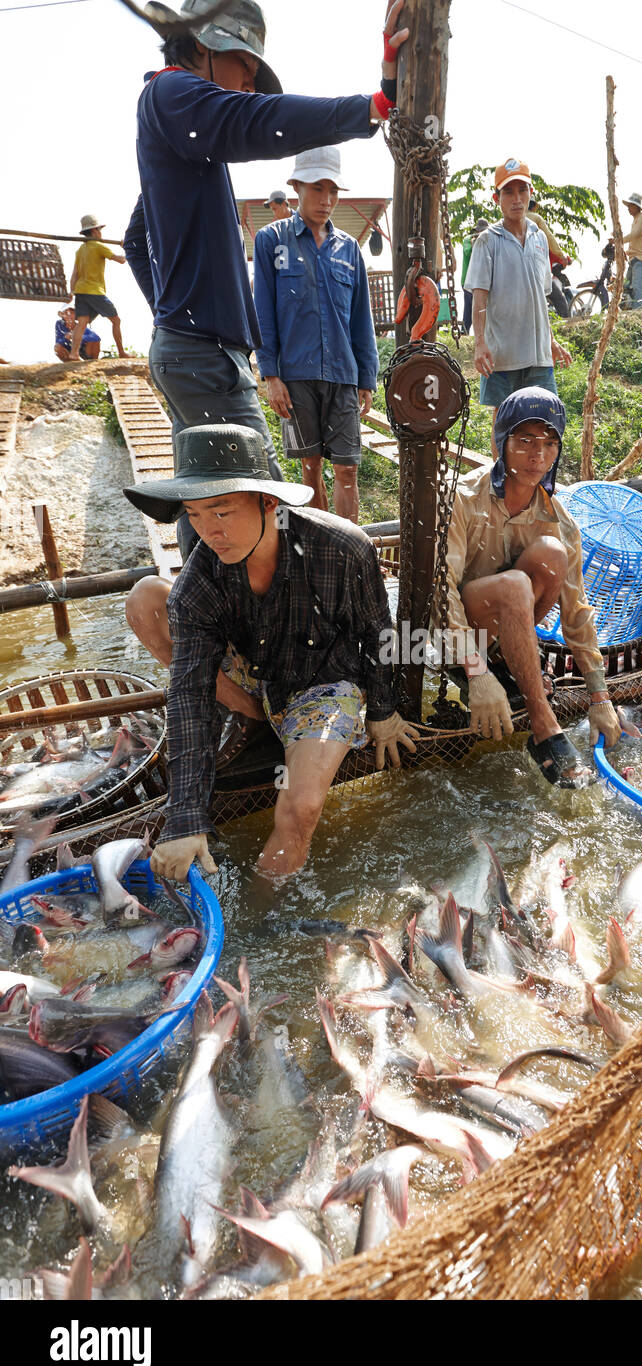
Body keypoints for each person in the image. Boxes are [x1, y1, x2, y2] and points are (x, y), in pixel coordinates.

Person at [133, 0, 409, 559]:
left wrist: (172, 313)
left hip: (194, 350)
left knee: (209, 501)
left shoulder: (183, 144)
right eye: (246, 66)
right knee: (264, 502)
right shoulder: (171, 92)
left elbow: (136, 239)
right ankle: (259, 634)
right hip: (204, 356)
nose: (250, 82)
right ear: (206, 47)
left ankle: (201, 628)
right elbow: (253, 121)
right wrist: (375, 104)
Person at [123, 423, 418, 883]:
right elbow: (189, 693)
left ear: (269, 502)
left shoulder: (342, 548)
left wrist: (383, 711)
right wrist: (185, 817)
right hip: (249, 675)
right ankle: (252, 718)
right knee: (146, 596)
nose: (209, 531)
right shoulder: (198, 585)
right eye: (195, 515)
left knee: (299, 807)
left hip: (324, 682)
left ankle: (264, 920)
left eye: (221, 511)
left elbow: (377, 631)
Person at [443, 387, 621, 787]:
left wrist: (599, 695)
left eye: (549, 443)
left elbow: (576, 608)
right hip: (456, 636)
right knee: (512, 585)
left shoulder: (559, 518)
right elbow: (441, 590)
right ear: (500, 442)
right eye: (524, 441)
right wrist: (476, 673)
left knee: (551, 553)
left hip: (505, 629)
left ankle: (510, 662)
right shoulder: (463, 499)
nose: (537, 455)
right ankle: (544, 726)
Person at [254, 146, 378, 526]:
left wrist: (366, 378)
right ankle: (324, 543)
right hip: (294, 376)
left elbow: (361, 319)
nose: (326, 200)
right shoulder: (271, 241)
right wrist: (272, 376)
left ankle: (351, 547)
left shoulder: (349, 250)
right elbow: (264, 314)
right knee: (310, 466)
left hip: (342, 374)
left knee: (347, 469)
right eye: (317, 189)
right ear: (296, 188)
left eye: (333, 191)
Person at [465, 159, 572, 459]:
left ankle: (536, 488)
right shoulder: (488, 241)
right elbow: (480, 298)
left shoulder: (539, 239)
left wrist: (550, 342)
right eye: (508, 192)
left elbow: (541, 297)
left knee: (544, 422)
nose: (516, 198)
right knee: (504, 421)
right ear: (497, 199)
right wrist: (480, 343)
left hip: (538, 354)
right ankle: (501, 482)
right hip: (503, 355)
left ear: (530, 193)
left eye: (521, 190)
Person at [68, 216, 128, 360]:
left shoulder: (80, 250)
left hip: (80, 290)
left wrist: (71, 291)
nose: (101, 233)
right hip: (94, 291)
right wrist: (125, 247)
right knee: (116, 320)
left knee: (82, 321)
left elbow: (74, 274)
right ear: (95, 231)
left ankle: (74, 353)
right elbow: (121, 260)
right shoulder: (99, 246)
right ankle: (121, 352)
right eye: (100, 230)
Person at [621, 192, 642, 308]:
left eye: (631, 206)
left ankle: (637, 312)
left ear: (637, 207)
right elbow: (634, 242)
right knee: (626, 285)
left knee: (636, 286)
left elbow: (634, 235)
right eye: (628, 206)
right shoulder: (635, 220)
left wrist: (619, 240)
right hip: (634, 258)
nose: (629, 208)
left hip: (641, 258)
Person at [460, 218, 487, 334]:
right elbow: (468, 252)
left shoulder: (487, 241)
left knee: (482, 308)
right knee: (469, 308)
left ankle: (482, 333)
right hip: (467, 280)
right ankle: (465, 331)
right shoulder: (468, 239)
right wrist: (476, 242)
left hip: (481, 280)